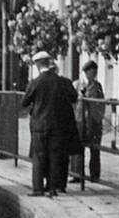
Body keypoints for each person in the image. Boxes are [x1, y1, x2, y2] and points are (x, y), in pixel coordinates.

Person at [20, 51, 79, 196]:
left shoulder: (35, 82)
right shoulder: (62, 81)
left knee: (39, 156)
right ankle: (53, 188)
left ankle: (38, 188)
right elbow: (73, 97)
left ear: (38, 65)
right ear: (48, 63)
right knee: (55, 156)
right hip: (58, 126)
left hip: (40, 125)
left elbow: (24, 102)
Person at [73, 60, 105, 183]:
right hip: (80, 120)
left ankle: (95, 175)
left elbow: (101, 102)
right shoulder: (76, 85)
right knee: (78, 148)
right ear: (86, 72)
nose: (95, 75)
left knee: (95, 148)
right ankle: (77, 174)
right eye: (93, 72)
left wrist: (99, 117)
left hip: (94, 121)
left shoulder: (98, 86)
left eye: (96, 72)